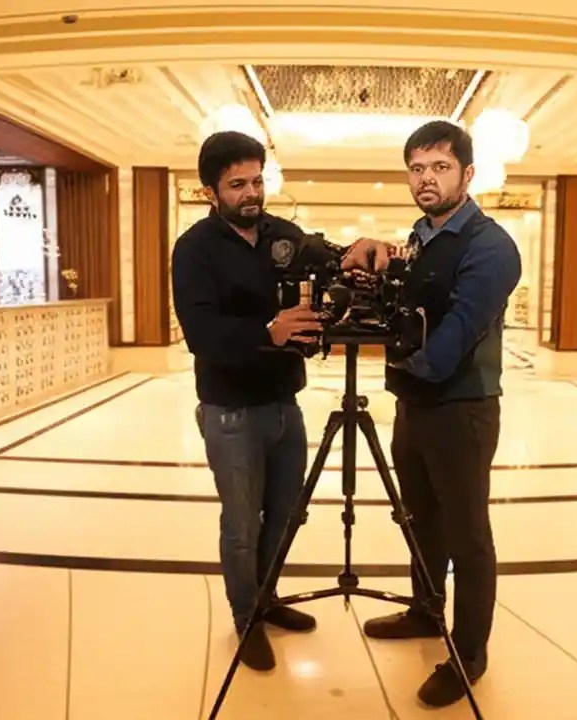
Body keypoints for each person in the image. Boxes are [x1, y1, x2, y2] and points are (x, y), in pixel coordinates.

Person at [170, 130, 386, 672]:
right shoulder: (194, 249)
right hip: (230, 411)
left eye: (257, 180)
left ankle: (267, 598)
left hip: (285, 406)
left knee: (287, 515)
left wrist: (356, 248)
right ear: (210, 192)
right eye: (237, 184)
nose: (251, 193)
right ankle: (247, 618)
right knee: (241, 526)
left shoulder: (279, 236)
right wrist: (270, 328)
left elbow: (328, 254)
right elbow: (202, 334)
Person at [360, 120, 522, 707]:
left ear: (467, 174)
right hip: (414, 405)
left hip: (463, 410)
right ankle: (425, 613)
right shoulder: (421, 236)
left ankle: (468, 653)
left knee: (467, 533)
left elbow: (452, 339)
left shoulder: (492, 246)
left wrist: (381, 348)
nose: (427, 179)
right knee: (420, 519)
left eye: (440, 167)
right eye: (417, 168)